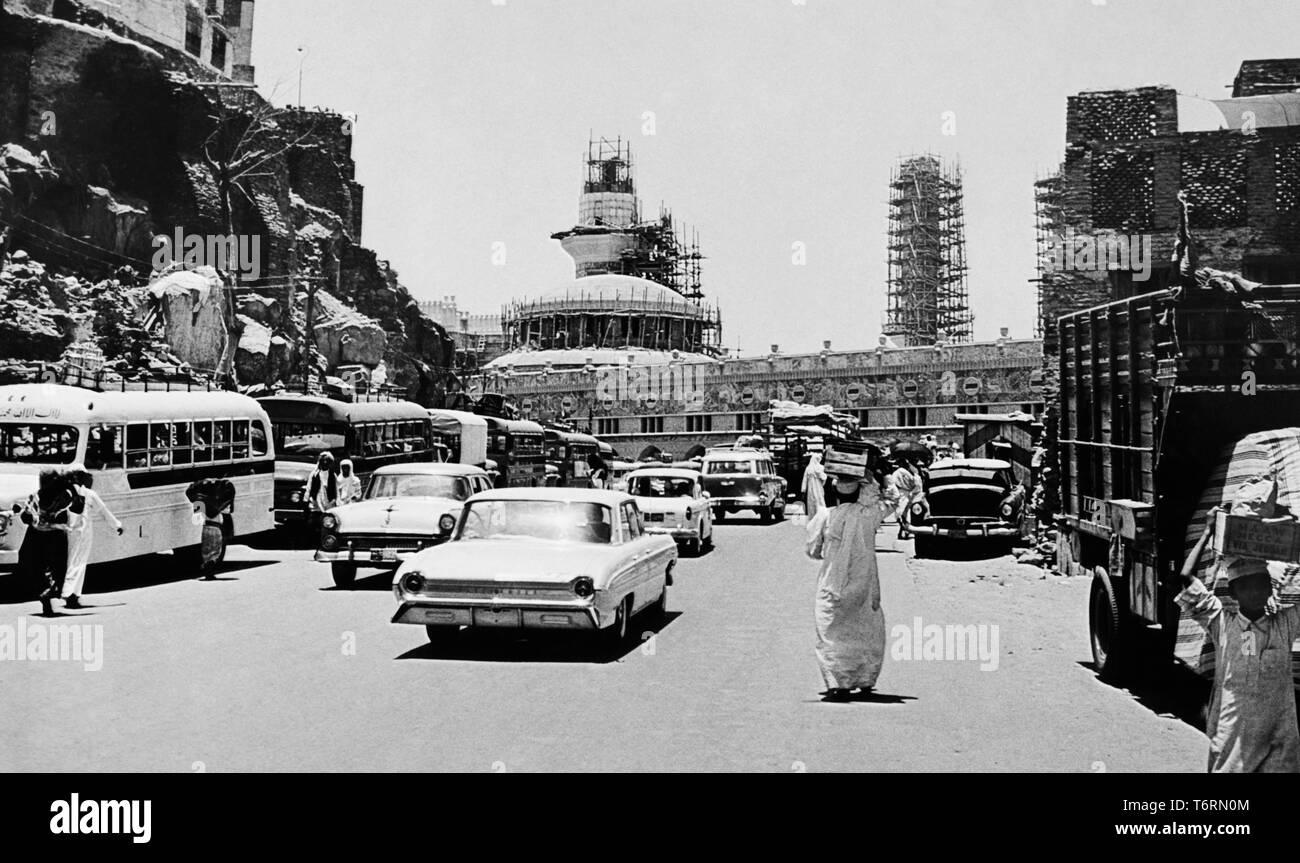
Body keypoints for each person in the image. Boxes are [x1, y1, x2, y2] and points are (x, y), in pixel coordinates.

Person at [1177, 507, 1300, 772]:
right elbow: (1186, 578)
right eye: (1246, 586)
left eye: (1260, 584)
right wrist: (1208, 530)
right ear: (1233, 591)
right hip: (1233, 742)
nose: (1255, 592)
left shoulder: (1285, 624)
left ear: (1270, 588)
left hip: (1280, 742)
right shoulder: (1222, 623)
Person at [805, 472, 888, 702]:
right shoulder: (869, 514)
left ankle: (837, 682)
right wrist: (871, 478)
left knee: (831, 632)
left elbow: (812, 549)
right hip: (864, 583)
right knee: (866, 631)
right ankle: (865, 679)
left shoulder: (826, 516)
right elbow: (892, 498)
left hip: (832, 584)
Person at [14, 468, 77, 616]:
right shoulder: (63, 495)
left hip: (38, 535)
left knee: (40, 568)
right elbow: (77, 508)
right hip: (54, 536)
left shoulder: (38, 496)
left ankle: (47, 597)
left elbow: (26, 517)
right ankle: (50, 594)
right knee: (58, 569)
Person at [60, 464, 123, 609]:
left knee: (71, 561)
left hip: (68, 532)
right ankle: (71, 594)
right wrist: (117, 525)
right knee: (79, 562)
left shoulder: (64, 493)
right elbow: (104, 511)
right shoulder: (88, 493)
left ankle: (70, 592)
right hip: (83, 531)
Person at [304, 451, 338, 529]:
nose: (325, 463)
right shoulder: (314, 474)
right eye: (323, 461)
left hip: (328, 501)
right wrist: (308, 499)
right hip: (316, 500)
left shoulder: (333, 475)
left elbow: (336, 489)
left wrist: (335, 500)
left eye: (327, 461)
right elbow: (309, 487)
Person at [889, 460, 922, 539]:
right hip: (910, 495)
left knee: (900, 514)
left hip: (901, 494)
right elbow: (918, 486)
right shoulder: (914, 475)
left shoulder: (898, 472)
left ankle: (904, 529)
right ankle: (904, 530)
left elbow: (891, 482)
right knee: (905, 513)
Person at [801, 452, 827, 518]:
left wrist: (803, 490)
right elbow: (824, 478)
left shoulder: (812, 468)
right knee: (815, 501)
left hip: (815, 488)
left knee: (817, 501)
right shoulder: (813, 468)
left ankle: (819, 517)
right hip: (815, 488)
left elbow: (805, 480)